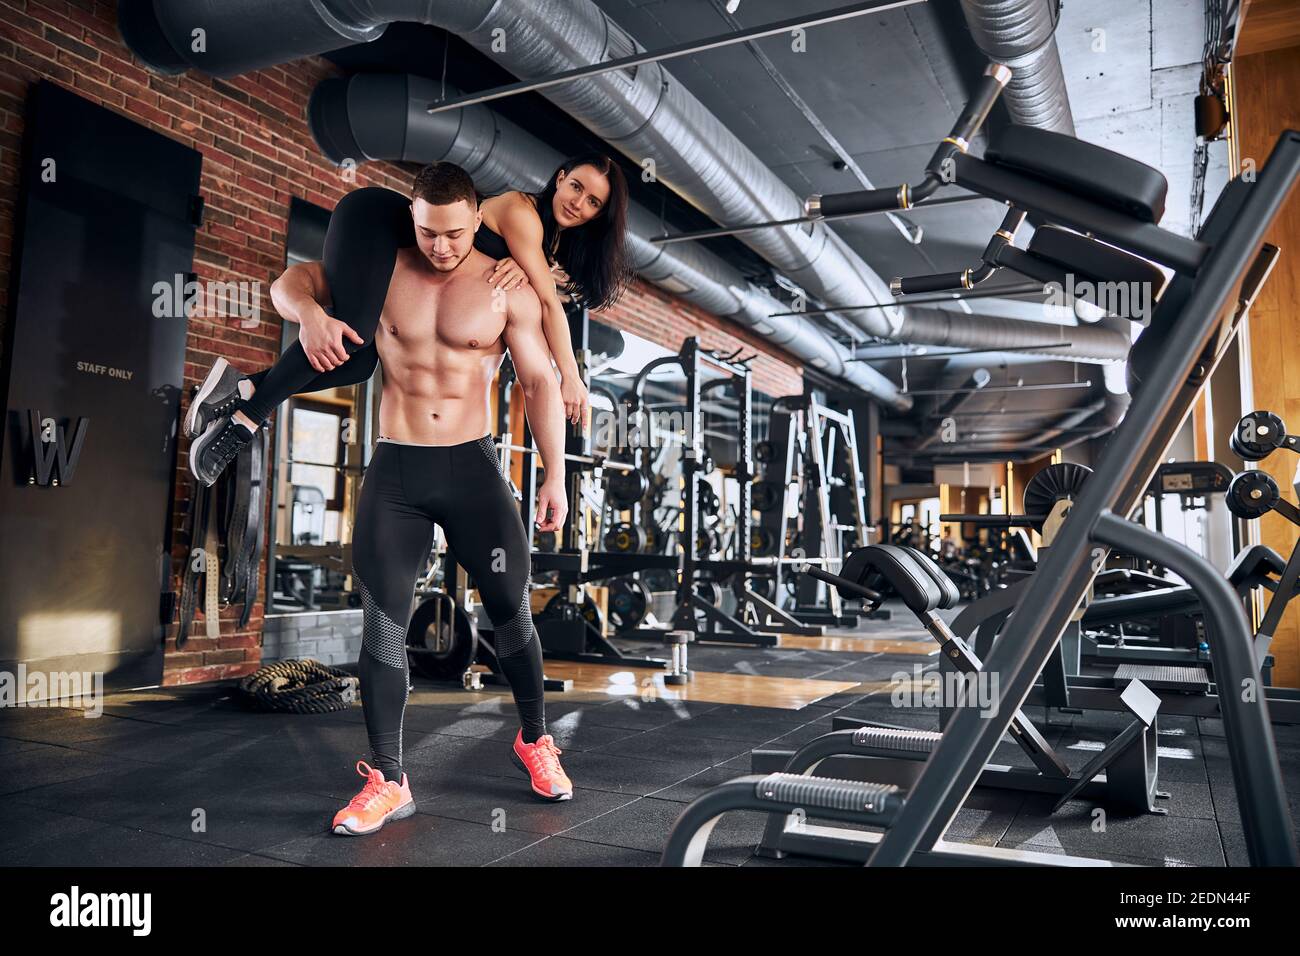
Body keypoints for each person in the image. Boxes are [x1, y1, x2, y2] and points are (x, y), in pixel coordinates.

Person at [270, 163, 575, 835]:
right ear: (412, 220)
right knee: (382, 625)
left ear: (478, 220)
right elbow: (287, 285)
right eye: (429, 233)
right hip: (396, 474)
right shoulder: (381, 270)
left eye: (457, 234)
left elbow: (541, 384)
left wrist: (553, 474)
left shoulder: (505, 287)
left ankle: (535, 739)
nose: (442, 247)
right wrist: (313, 316)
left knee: (509, 613)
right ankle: (388, 778)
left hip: (473, 470)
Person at [186, 152, 631, 485]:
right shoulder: (522, 212)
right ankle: (246, 419)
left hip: (383, 241)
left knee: (359, 364)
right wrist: (571, 377)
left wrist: (537, 276)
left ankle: (240, 387)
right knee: (354, 338)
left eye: (593, 202)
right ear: (559, 178)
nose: (579, 203)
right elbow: (551, 305)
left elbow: (550, 292)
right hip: (372, 217)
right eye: (576, 187)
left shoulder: (544, 246)